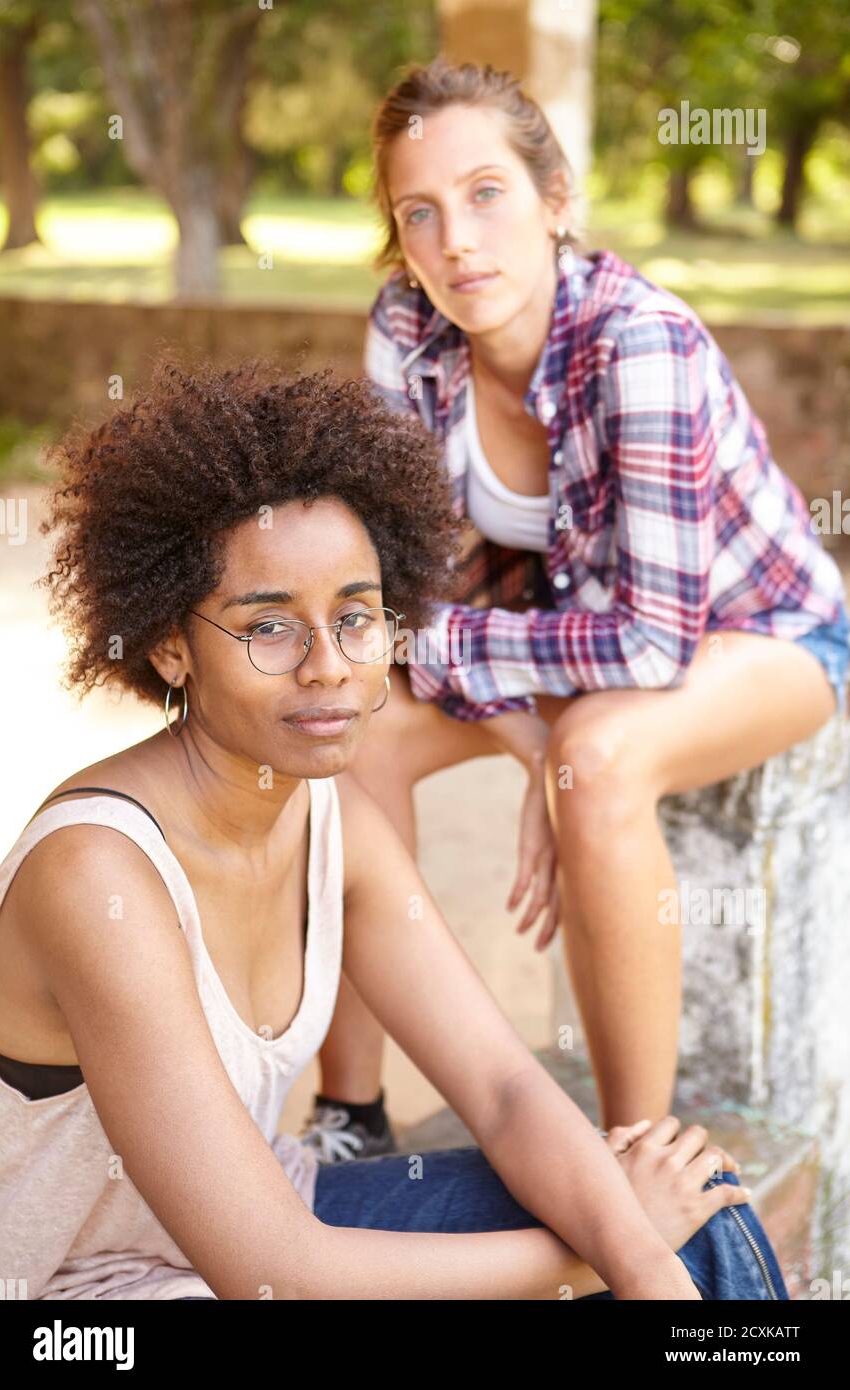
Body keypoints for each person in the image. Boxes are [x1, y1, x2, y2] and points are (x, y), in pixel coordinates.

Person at [0, 358, 788, 1300]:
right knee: (628, 1227)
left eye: (356, 617)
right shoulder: (99, 876)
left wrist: (644, 1251)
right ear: (169, 645)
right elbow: (274, 1273)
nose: (329, 665)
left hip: (243, 1229)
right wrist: (603, 1252)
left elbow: (502, 1088)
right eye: (269, 627)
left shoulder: (334, 825)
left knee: (698, 1203)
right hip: (78, 1299)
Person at [302, 56, 850, 1156]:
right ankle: (348, 1110)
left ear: (556, 202)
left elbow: (652, 641)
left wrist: (553, 751)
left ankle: (636, 1154)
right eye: (422, 210)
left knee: (596, 763)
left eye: (487, 193)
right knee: (350, 728)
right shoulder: (408, 328)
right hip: (570, 633)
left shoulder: (638, 340)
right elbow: (397, 583)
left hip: (764, 634)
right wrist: (527, 736)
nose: (457, 239)